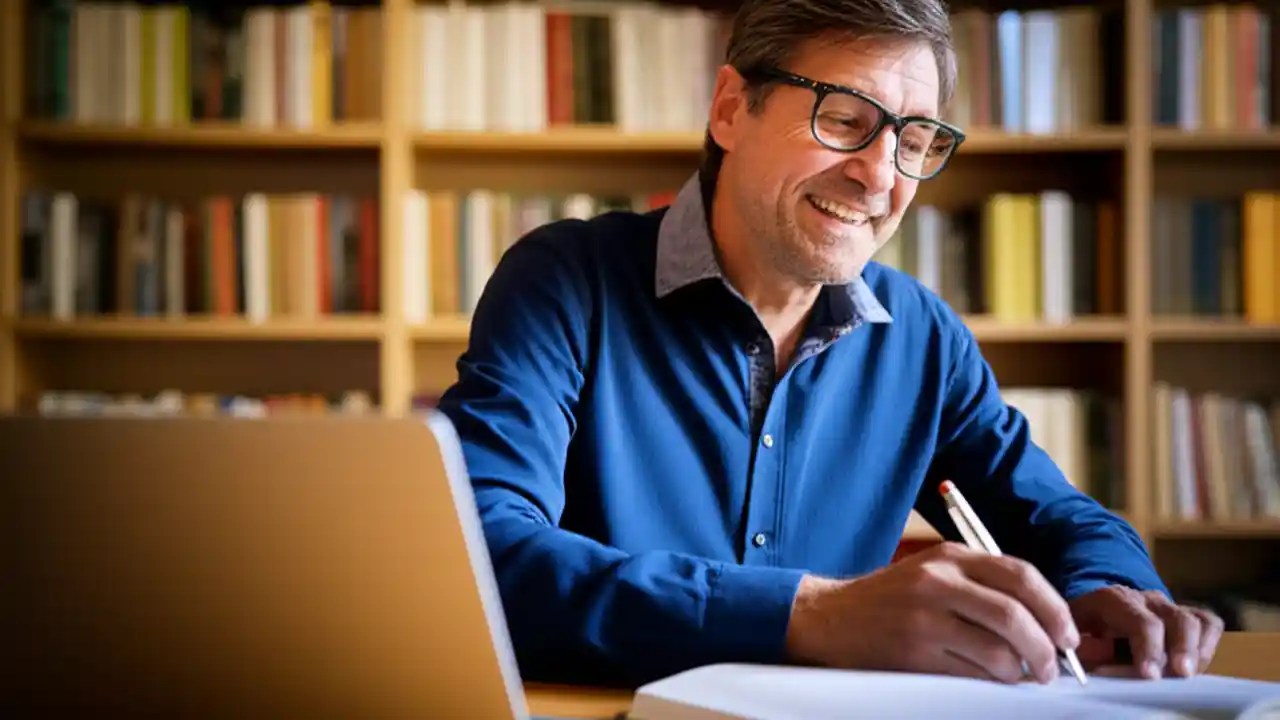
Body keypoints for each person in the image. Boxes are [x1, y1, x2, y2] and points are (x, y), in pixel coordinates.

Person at [435, 0, 1223, 689]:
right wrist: (809, 615)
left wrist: (1113, 589)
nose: (880, 176)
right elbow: (482, 555)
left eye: (914, 141)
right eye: (845, 119)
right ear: (731, 109)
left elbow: (1059, 519)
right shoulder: (565, 282)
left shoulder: (924, 339)